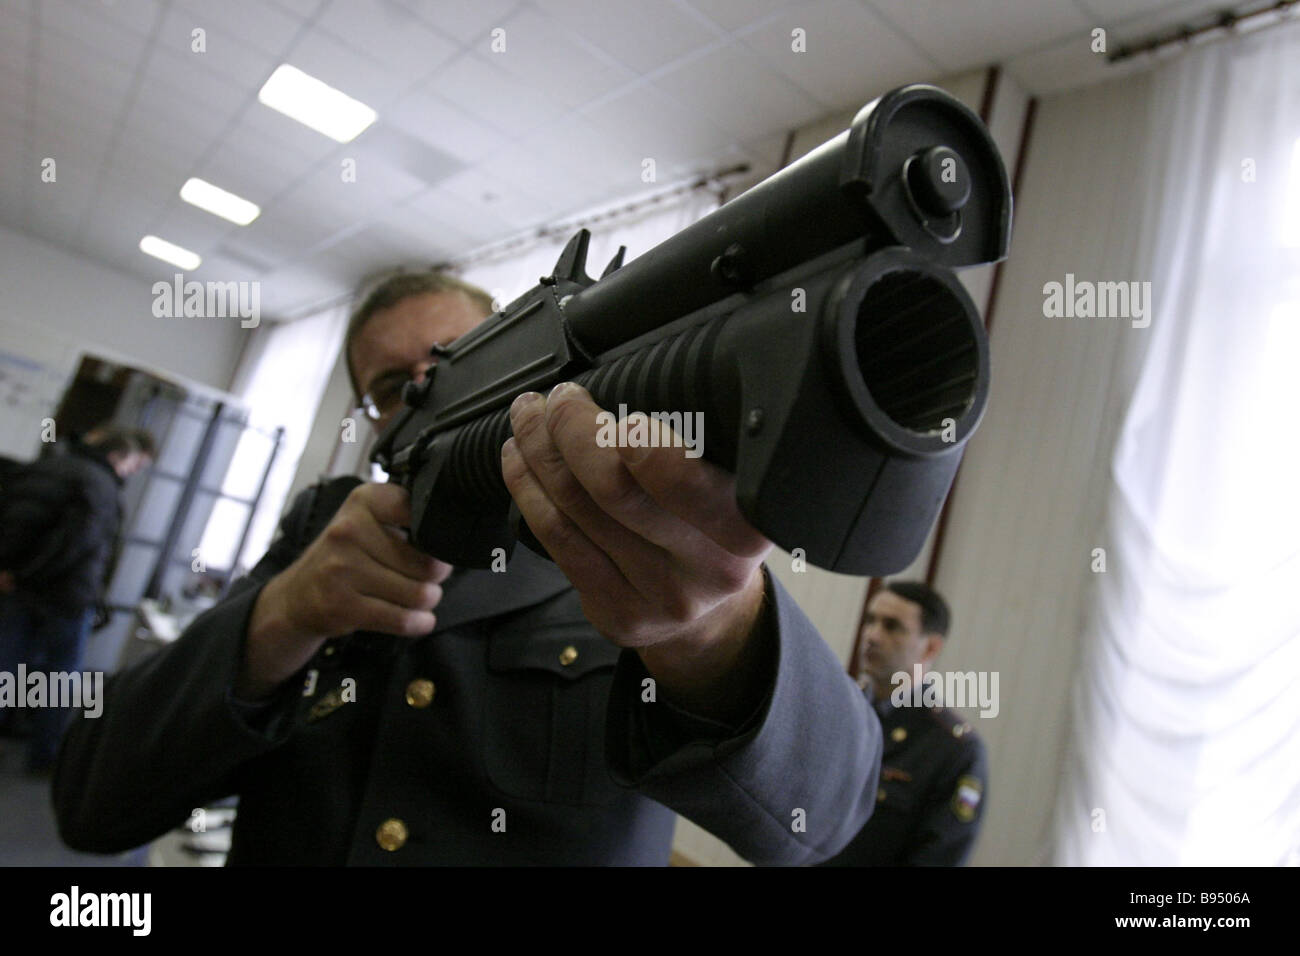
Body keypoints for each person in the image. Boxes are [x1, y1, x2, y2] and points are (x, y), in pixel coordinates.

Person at [52, 272, 882, 865]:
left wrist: (715, 635)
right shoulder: (323, 526)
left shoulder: (620, 525)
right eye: (390, 387)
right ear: (374, 424)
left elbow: (822, 818)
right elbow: (92, 800)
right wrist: (285, 614)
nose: (425, 389)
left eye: (452, 355)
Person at [0, 425, 155, 773]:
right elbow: (78, 545)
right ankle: (44, 755)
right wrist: (30, 573)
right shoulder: (100, 485)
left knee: (5, 667)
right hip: (66, 596)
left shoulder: (45, 466)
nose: (130, 473)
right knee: (60, 678)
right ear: (117, 456)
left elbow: (14, 520)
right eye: (132, 465)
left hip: (19, 589)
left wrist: (12, 569)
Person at [818, 581, 988, 866]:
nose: (872, 635)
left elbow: (939, 857)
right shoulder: (835, 712)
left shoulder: (953, 750)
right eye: (870, 621)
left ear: (930, 647)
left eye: (892, 626)